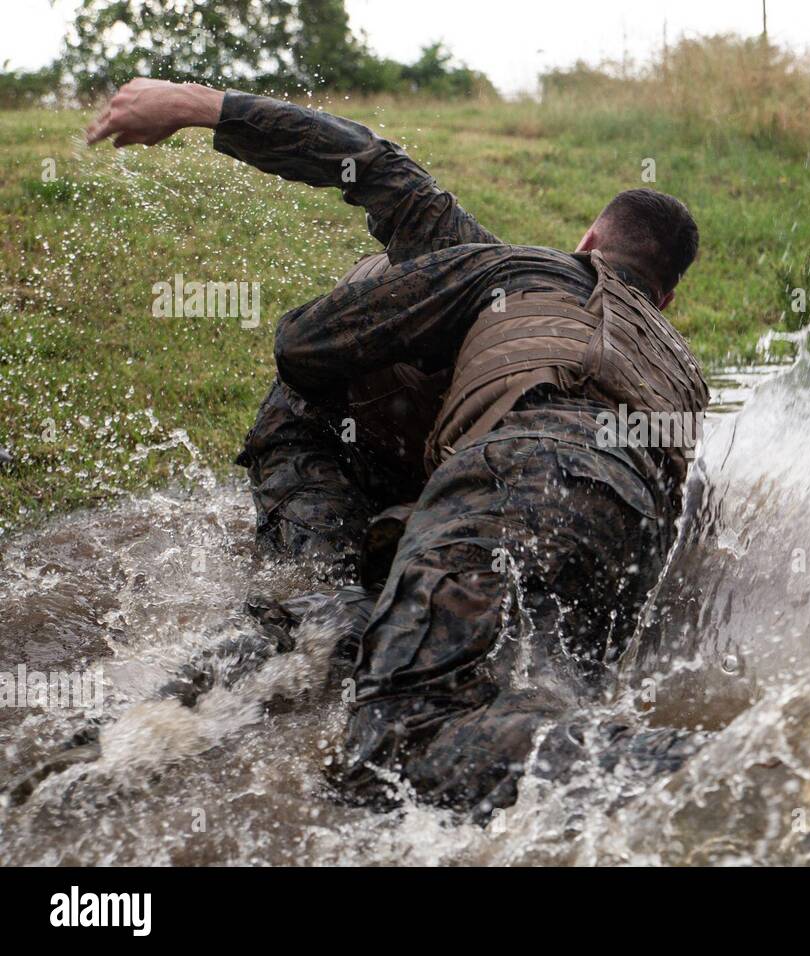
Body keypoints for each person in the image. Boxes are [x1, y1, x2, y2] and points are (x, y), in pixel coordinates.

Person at [83, 79, 710, 817]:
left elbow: (310, 329)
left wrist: (196, 105)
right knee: (526, 693)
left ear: (586, 243)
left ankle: (709, 771)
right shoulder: (682, 369)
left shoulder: (509, 268)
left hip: (510, 474)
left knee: (389, 749)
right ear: (665, 299)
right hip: (627, 521)